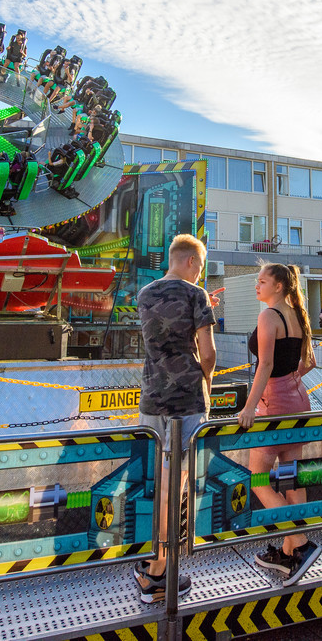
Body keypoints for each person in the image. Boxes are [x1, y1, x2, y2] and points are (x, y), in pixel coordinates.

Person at [133, 234, 217, 603]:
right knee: (177, 483)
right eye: (200, 267)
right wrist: (208, 386)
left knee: (155, 479)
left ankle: (154, 561)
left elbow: (159, 340)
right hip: (187, 401)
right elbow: (208, 353)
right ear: (190, 262)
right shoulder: (195, 294)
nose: (200, 274)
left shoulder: (144, 293)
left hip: (152, 398)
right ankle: (160, 572)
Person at [237, 263, 319, 584]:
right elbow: (309, 362)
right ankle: (288, 554)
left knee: (258, 480)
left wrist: (248, 407)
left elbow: (266, 364)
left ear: (280, 286)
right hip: (298, 400)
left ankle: (299, 543)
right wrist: (292, 380)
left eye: (262, 281)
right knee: (291, 478)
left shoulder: (268, 316)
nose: (257, 286)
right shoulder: (299, 314)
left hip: (275, 406)